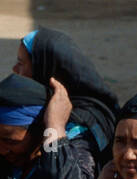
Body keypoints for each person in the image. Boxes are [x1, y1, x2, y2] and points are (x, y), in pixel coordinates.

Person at [13, 27, 119, 158]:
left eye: (21, 63)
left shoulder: (78, 128)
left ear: (46, 72)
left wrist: (54, 126)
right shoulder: (48, 108)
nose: (15, 69)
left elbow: (56, 172)